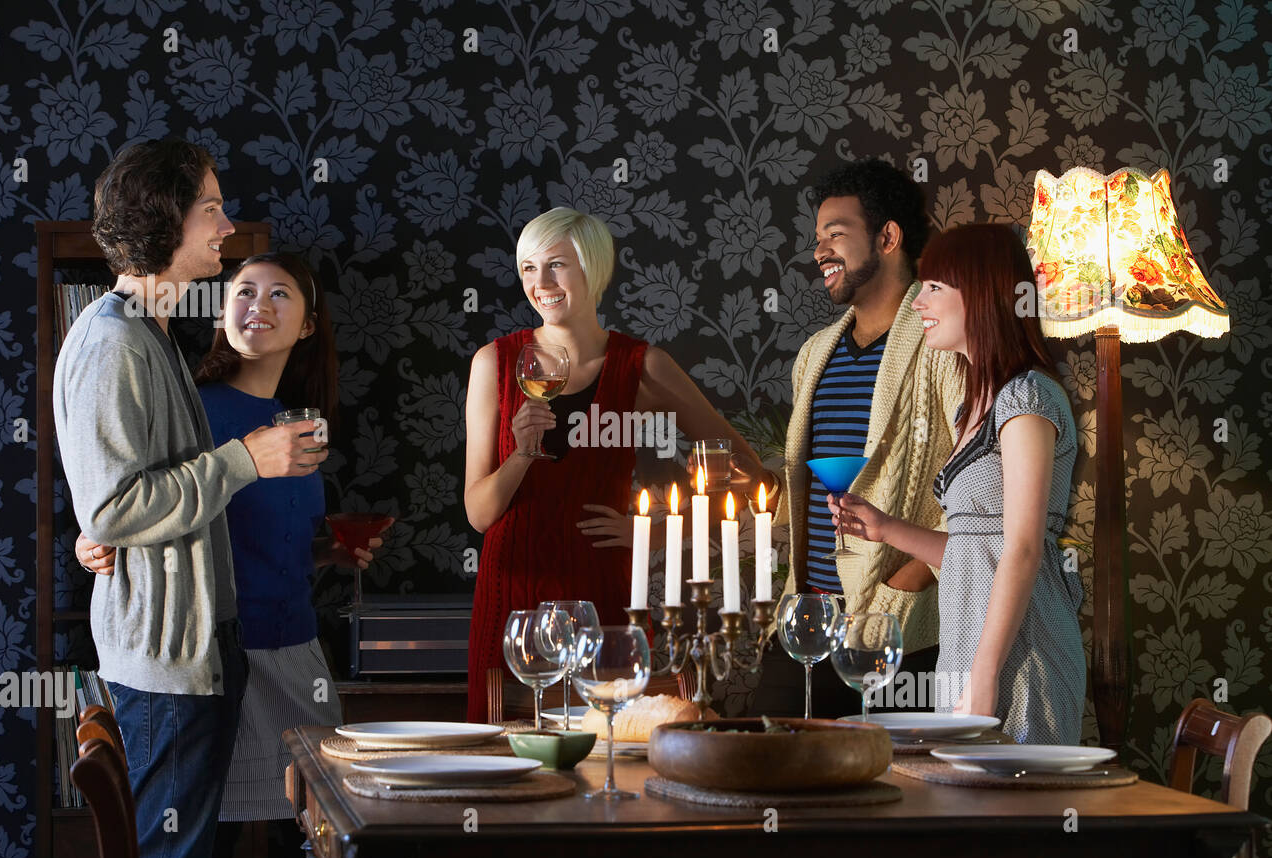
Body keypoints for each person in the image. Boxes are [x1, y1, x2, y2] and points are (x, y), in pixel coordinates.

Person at [54, 140, 325, 858]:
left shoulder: (155, 336)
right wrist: (247, 459)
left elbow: (127, 505)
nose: (226, 228)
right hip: (169, 662)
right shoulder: (113, 343)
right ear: (163, 220)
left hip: (199, 651)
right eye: (210, 208)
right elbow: (113, 509)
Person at [77, 252, 387, 858]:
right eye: (244, 291)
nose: (258, 306)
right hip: (217, 660)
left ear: (306, 326)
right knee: (202, 839)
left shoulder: (301, 423)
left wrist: (328, 552)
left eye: (279, 295)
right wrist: (95, 544)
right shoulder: (196, 411)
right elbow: (130, 503)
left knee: (325, 833)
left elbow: (253, 536)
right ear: (222, 312)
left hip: (296, 653)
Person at [464, 207, 768, 721]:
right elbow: (478, 513)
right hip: (511, 597)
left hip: (604, 593)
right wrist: (521, 453)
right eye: (529, 269)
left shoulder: (641, 367)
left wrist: (654, 532)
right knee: (508, 766)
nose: (542, 283)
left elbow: (750, 473)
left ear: (593, 268)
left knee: (614, 761)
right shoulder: (493, 363)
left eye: (557, 264)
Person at [835, 223, 1085, 744]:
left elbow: (1019, 550)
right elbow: (976, 554)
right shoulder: (973, 406)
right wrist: (885, 529)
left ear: (982, 295)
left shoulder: (1027, 400)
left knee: (1013, 815)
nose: (917, 300)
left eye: (934, 288)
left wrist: (984, 673)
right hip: (968, 651)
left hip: (1020, 652)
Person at [755, 159, 964, 718]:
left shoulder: (941, 343)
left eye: (836, 234)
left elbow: (978, 483)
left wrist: (910, 575)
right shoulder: (815, 353)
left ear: (888, 237)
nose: (819, 250)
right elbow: (819, 487)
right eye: (817, 238)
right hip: (807, 619)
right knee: (768, 761)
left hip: (896, 626)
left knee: (889, 789)